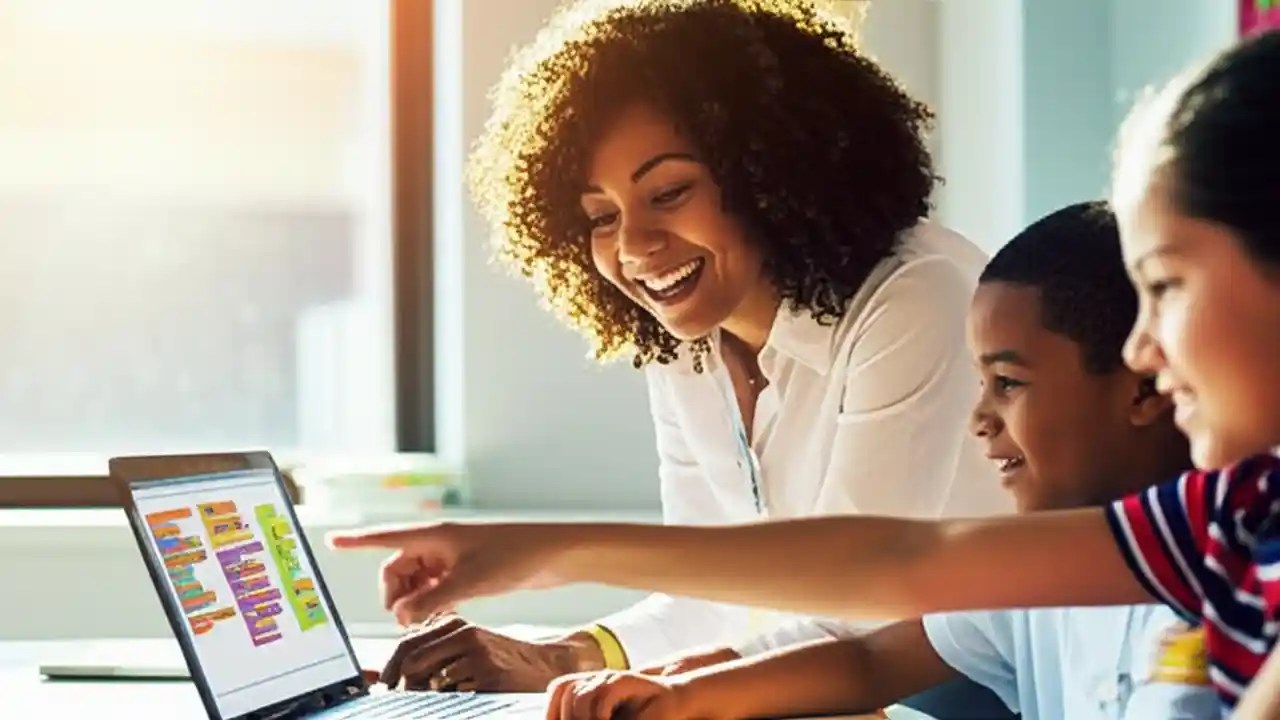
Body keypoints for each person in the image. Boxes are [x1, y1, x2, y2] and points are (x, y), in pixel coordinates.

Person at [329, 30, 1280, 716]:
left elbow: (879, 590)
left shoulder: (919, 296)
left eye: (1165, 285)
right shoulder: (1223, 518)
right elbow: (902, 566)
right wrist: (581, 620)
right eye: (603, 215)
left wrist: (567, 572)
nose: (1145, 346)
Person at [374, 0, 1009, 701]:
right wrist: (563, 657)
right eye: (602, 217)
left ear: (774, 172)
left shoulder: (919, 296)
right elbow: (711, 594)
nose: (634, 248)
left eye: (669, 192)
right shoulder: (686, 340)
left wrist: (643, 668)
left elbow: (856, 602)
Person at [533, 201, 1222, 719]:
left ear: (1145, 385)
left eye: (1008, 385)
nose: (980, 421)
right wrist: (681, 696)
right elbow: (869, 658)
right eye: (980, 385)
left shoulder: (1227, 575)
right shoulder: (1036, 570)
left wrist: (551, 553)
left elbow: (888, 576)